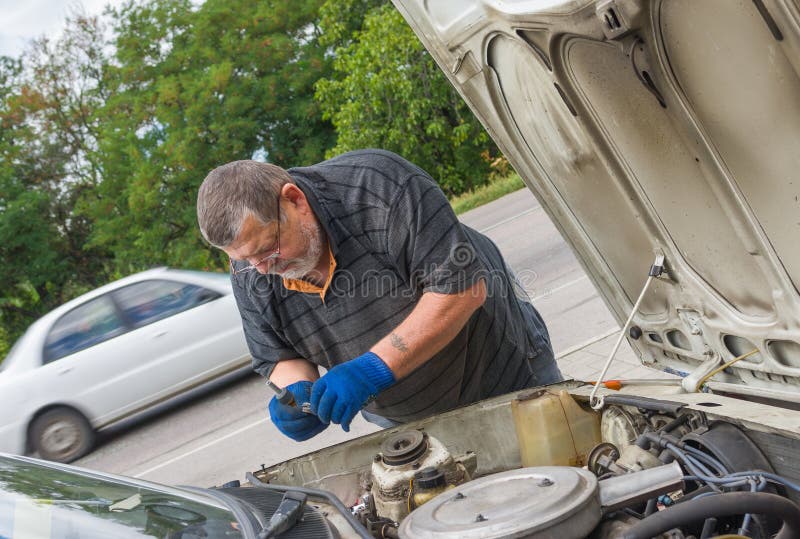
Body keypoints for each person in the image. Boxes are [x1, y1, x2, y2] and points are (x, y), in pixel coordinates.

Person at [196, 149, 561, 441]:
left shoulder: (380, 187)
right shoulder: (251, 268)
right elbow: (280, 355)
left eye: (268, 250)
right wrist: (297, 394)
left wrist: (370, 371)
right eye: (245, 260)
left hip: (503, 367)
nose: (262, 269)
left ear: (295, 200)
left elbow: (460, 289)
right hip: (403, 421)